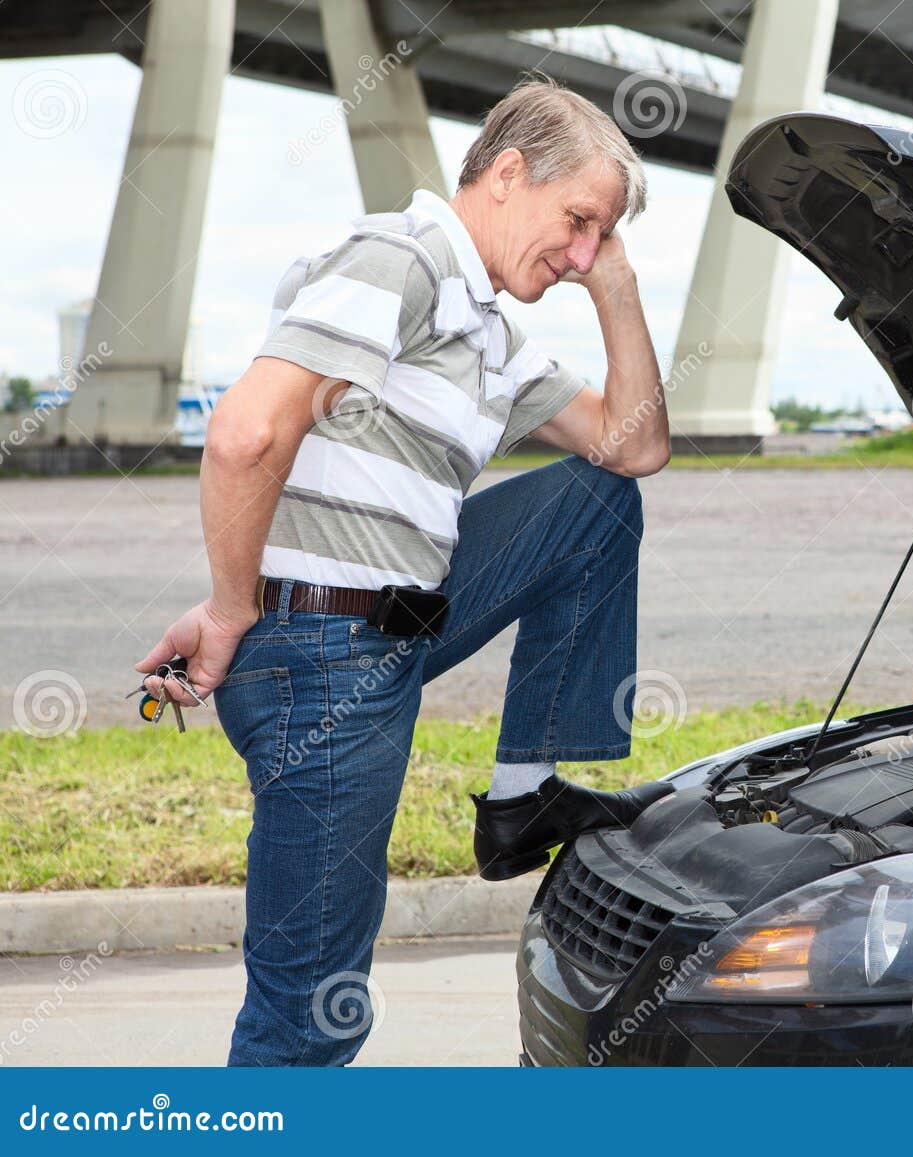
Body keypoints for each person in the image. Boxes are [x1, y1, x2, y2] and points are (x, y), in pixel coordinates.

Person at [135, 76, 674, 1066]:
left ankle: (524, 793)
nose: (582, 252)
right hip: (325, 661)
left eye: (600, 236)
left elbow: (631, 445)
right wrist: (232, 604)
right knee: (309, 1009)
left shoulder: (488, 330)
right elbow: (250, 431)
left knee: (596, 504)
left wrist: (619, 290)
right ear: (507, 174)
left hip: (378, 624)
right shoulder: (400, 258)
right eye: (578, 221)